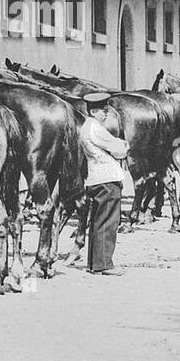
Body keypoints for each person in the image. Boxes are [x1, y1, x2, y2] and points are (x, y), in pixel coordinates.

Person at [79, 92, 129, 276]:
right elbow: (118, 150)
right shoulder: (96, 128)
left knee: (98, 222)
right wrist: (123, 145)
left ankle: (95, 264)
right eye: (103, 110)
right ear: (93, 111)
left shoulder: (87, 127)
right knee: (109, 222)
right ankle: (105, 264)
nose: (106, 113)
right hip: (107, 180)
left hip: (96, 178)